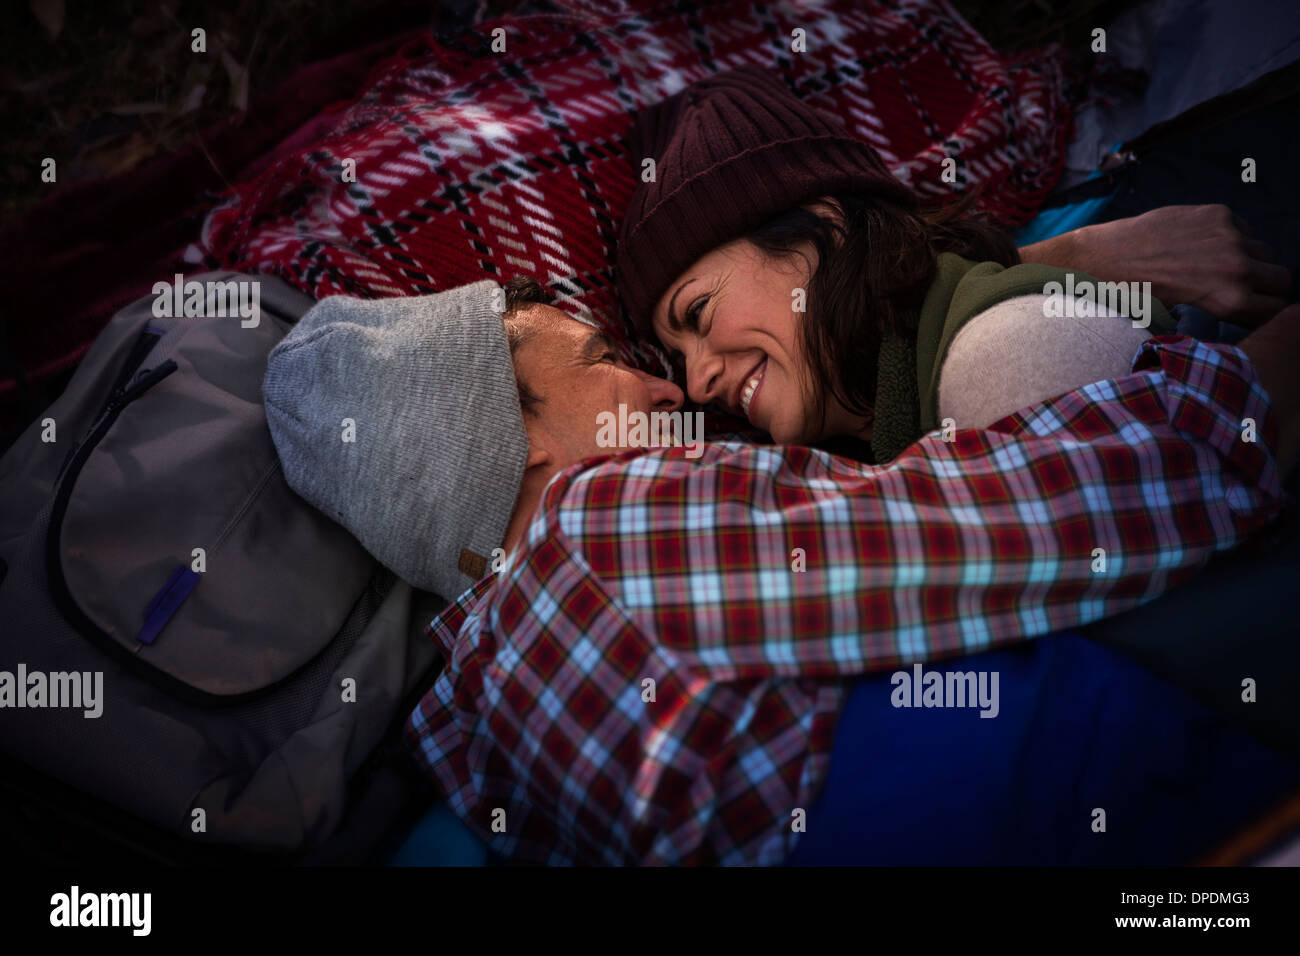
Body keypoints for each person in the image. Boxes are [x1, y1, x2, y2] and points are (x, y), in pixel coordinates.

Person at [261, 267, 1300, 864]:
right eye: (601, 360)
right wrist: (1246, 378)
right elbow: (1020, 518)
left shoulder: (466, 726)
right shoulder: (601, 521)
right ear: (510, 438)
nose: (666, 389)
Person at [616, 66, 1294, 463]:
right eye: (678, 357)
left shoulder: (1001, 366)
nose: (698, 383)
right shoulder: (905, 396)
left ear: (820, 228)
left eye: (697, 313)